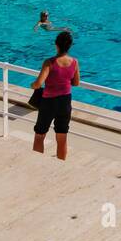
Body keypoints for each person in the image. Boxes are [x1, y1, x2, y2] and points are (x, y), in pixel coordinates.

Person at [30, 30, 80, 160]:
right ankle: (60, 165)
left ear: (56, 45)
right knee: (62, 137)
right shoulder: (75, 62)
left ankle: (37, 163)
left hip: (48, 102)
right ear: (69, 46)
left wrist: (33, 85)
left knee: (39, 135)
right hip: (65, 102)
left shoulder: (49, 62)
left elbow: (39, 83)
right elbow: (76, 82)